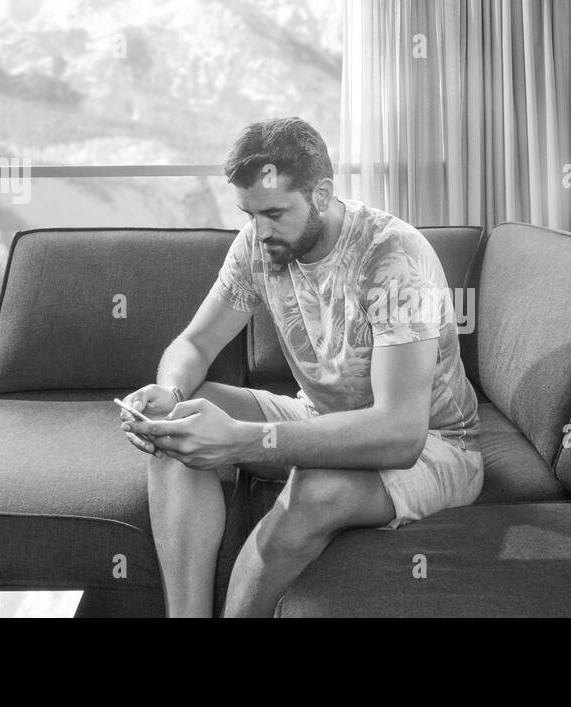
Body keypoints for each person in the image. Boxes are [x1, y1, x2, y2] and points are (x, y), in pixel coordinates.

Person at [119, 117, 482, 617]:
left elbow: (401, 434)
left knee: (315, 488)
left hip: (436, 448)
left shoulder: (392, 257)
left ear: (322, 193)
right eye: (249, 214)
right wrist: (171, 394)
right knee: (176, 424)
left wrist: (240, 439)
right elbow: (195, 343)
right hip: (316, 416)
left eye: (273, 212)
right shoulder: (258, 244)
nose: (259, 230)